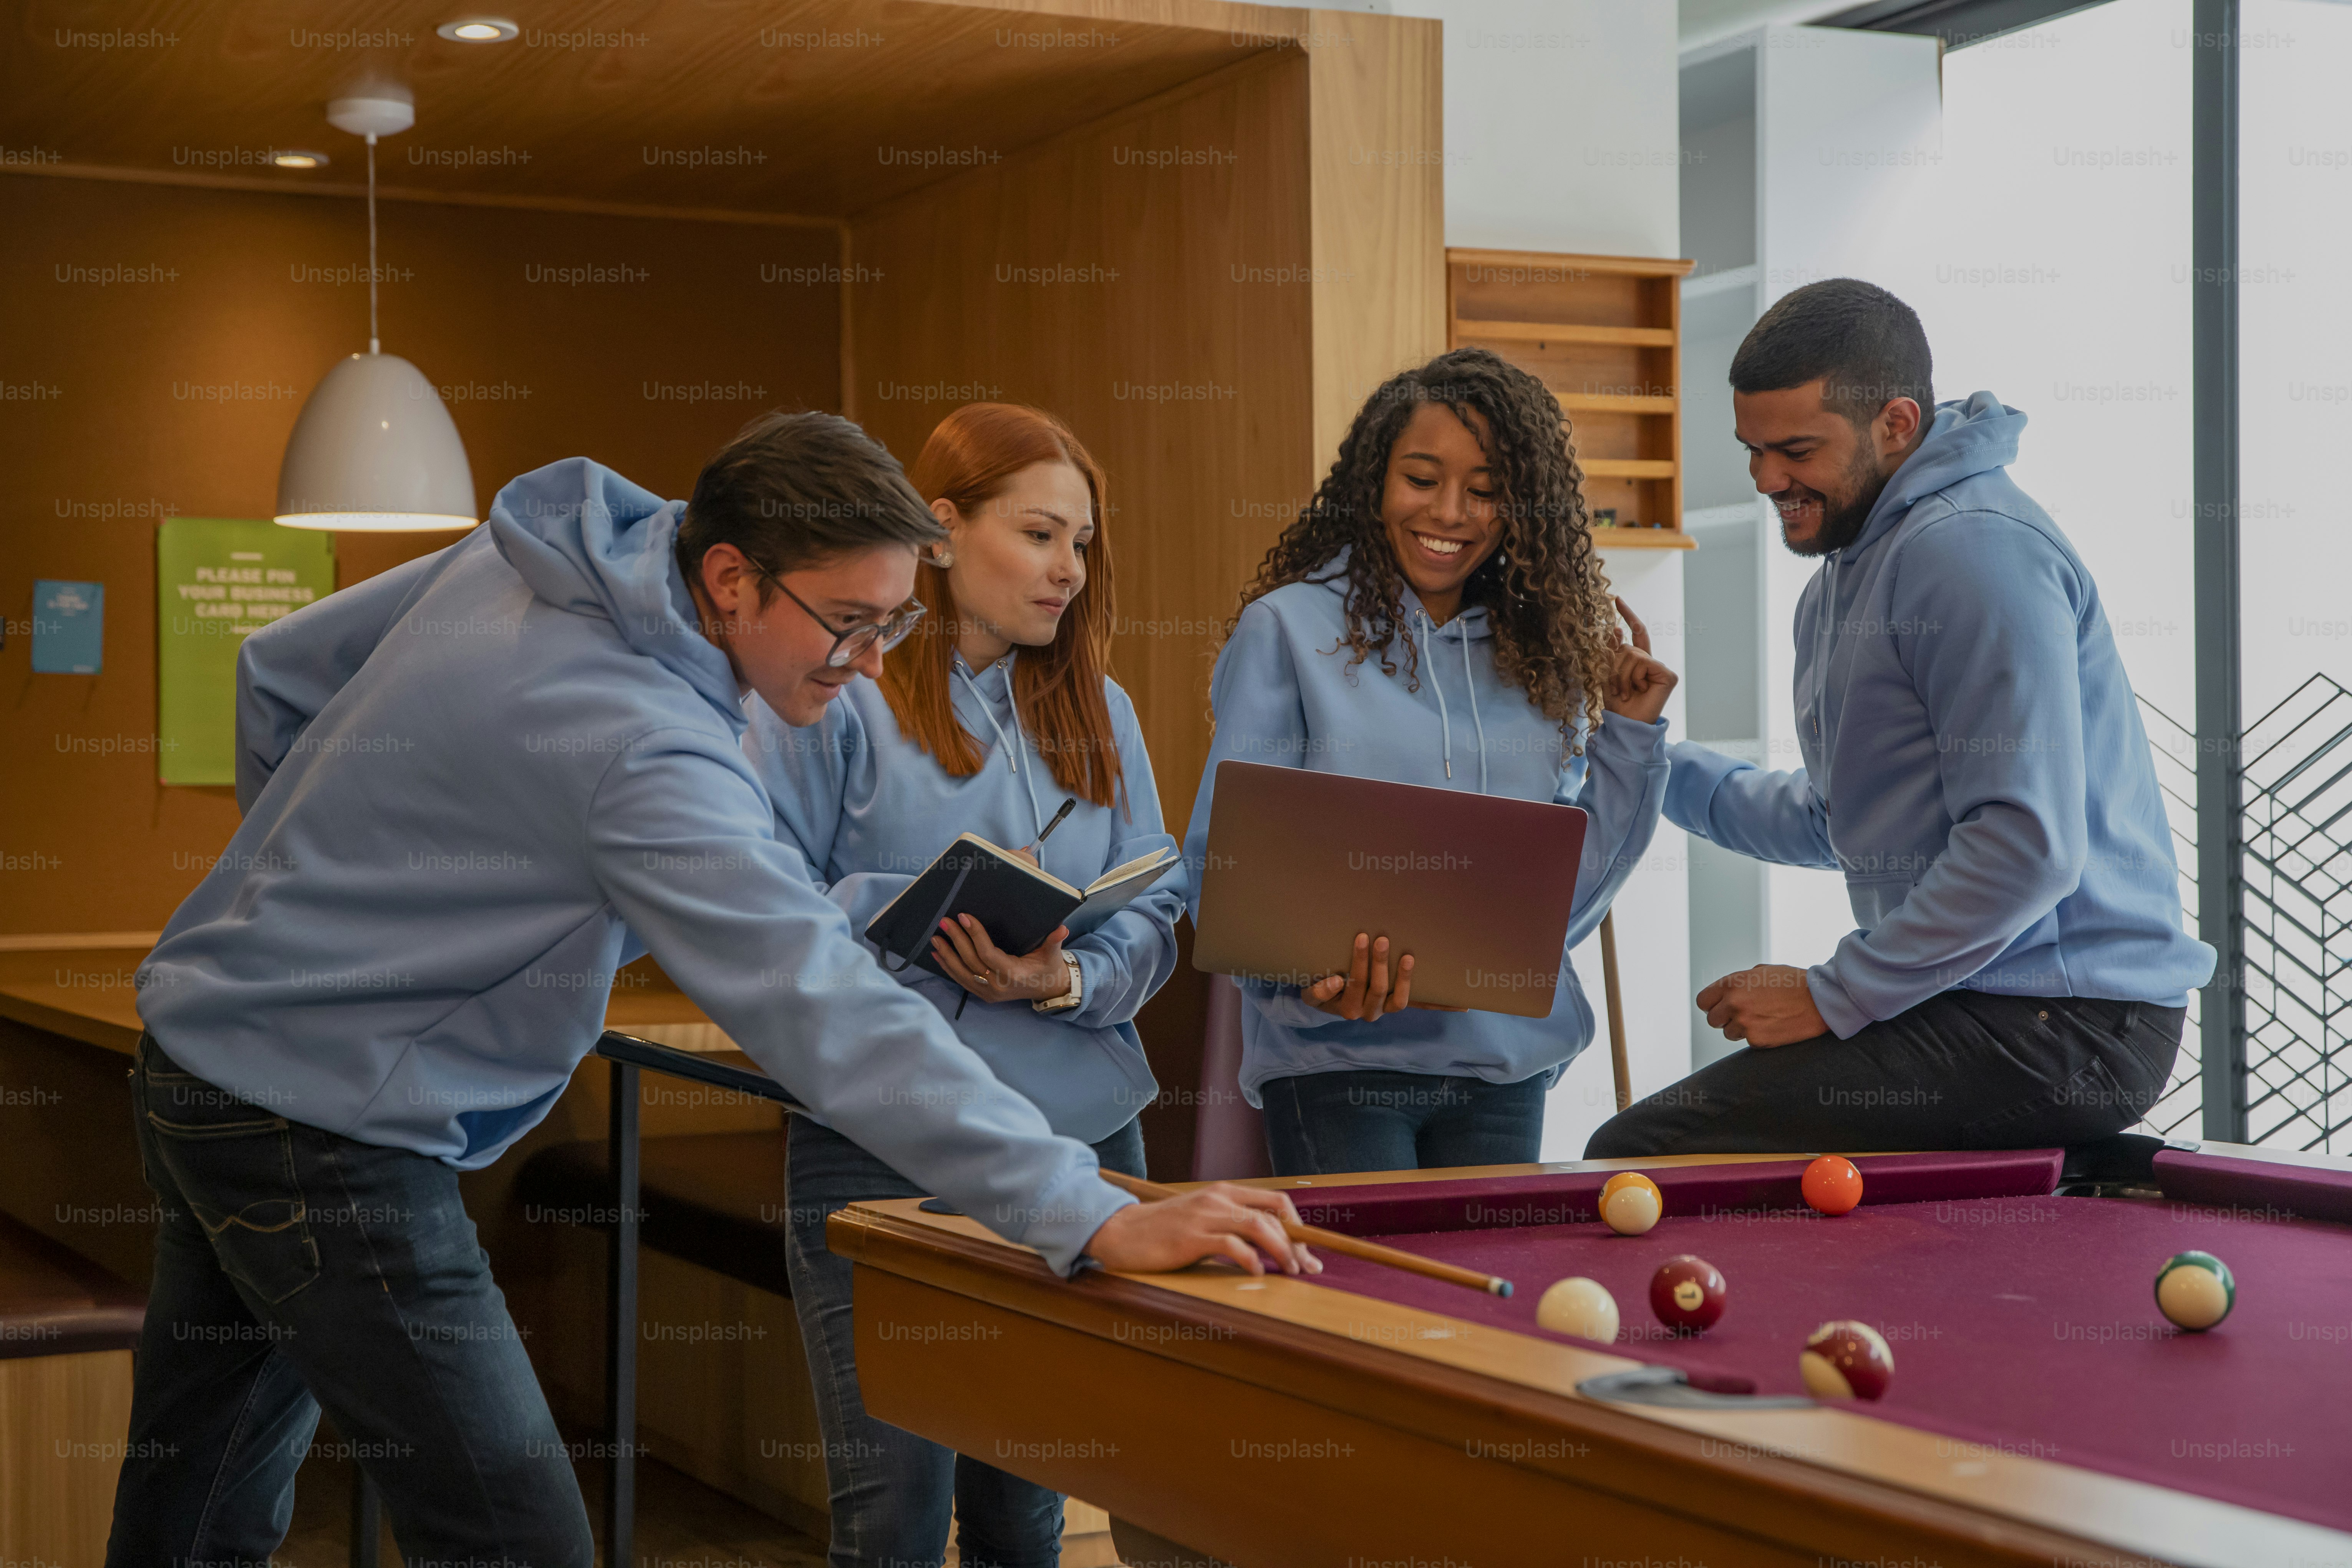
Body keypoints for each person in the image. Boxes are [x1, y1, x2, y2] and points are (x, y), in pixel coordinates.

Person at [109, 412, 1314, 1568]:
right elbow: (821, 1005)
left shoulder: (539, 554)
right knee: (514, 1535)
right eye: (845, 623)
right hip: (320, 1122)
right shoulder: (650, 748)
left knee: (197, 1501)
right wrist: (1089, 1210)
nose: (866, 666)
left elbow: (280, 674)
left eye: (893, 623)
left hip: (204, 1054)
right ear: (733, 579)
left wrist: (298, 916)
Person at [1586, 279, 2216, 1159]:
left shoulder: (1970, 549)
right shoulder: (1843, 578)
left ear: (1894, 423)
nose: (1769, 479)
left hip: (2071, 1022)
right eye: (1752, 451)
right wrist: (1627, 746)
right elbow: (1837, 820)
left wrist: (1830, 992)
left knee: (1645, 1147)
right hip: (1980, 1001)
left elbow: (2025, 842)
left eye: (1795, 450)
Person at [744, 404, 1182, 1568]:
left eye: (1081, 544)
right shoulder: (842, 687)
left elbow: (1154, 902)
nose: (1067, 570)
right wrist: (919, 902)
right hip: (876, 1137)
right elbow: (762, 899)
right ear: (939, 531)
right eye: (1040, 534)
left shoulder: (1104, 706)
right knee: (889, 1516)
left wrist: (1065, 972)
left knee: (1025, 1514)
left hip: (1084, 1133)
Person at [1182, 347, 1679, 1177]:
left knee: (1482, 1304)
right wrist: (1299, 977)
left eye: (1485, 490)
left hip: (1502, 1072)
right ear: (1373, 480)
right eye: (1420, 479)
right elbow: (1221, 868)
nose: (1451, 513)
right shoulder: (1286, 629)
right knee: (1369, 1308)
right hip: (1339, 1069)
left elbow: (1559, 903)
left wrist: (1627, 732)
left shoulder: (1540, 658)